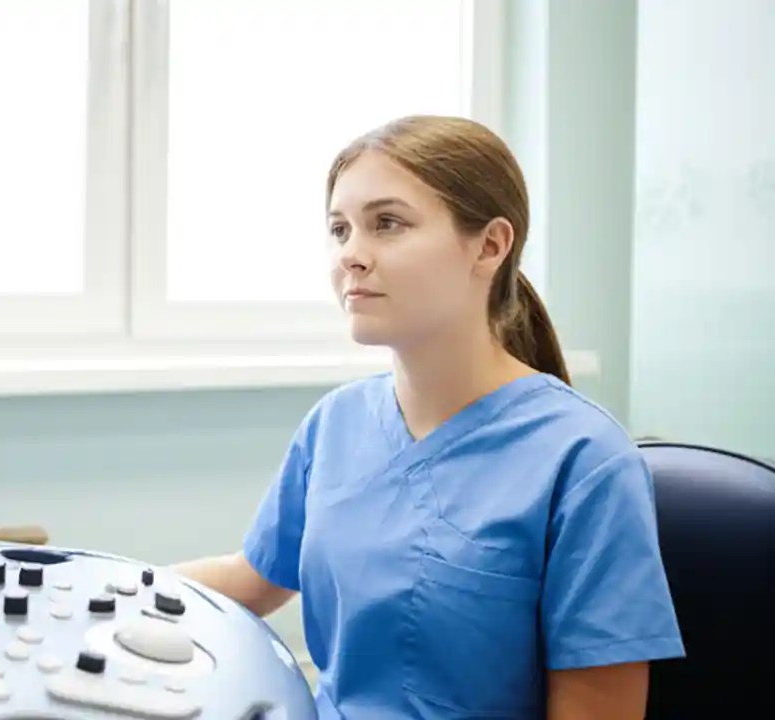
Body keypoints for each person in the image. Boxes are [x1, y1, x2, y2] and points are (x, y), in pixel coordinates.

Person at [172, 115, 685, 719]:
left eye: (387, 224)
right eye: (340, 230)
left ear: (491, 245)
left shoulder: (584, 461)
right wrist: (87, 584)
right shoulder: (336, 423)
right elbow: (254, 579)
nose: (351, 257)